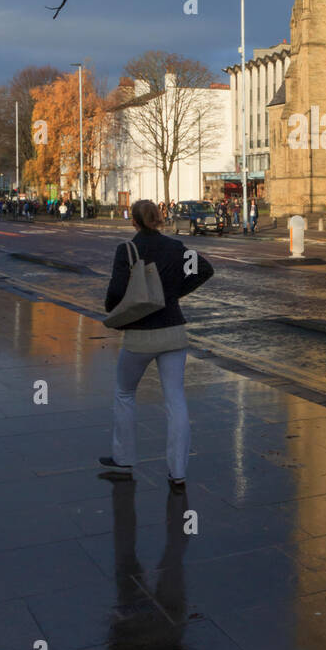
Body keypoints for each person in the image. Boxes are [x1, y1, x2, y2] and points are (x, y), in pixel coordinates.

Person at [100, 199, 214, 491]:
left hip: (140, 334)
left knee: (125, 392)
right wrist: (174, 294)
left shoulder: (127, 250)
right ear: (159, 219)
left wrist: (116, 308)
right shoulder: (175, 248)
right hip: (173, 331)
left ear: (134, 222)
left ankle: (123, 460)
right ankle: (178, 472)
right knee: (175, 399)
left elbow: (114, 293)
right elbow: (205, 269)